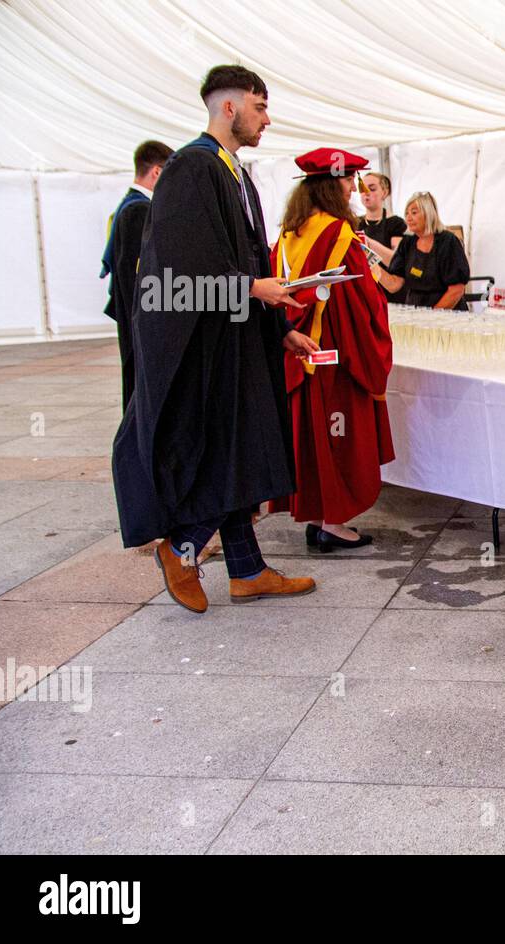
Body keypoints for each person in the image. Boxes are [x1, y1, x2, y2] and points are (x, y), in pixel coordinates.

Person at [111, 64, 319, 613]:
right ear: (230, 107)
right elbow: (176, 269)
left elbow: (247, 258)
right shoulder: (192, 167)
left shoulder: (233, 173)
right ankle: (181, 548)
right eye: (260, 107)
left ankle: (247, 571)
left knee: (243, 451)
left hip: (239, 340)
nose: (267, 120)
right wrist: (252, 288)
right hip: (205, 348)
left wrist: (281, 328)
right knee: (231, 452)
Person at [269, 148, 395, 552]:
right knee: (339, 438)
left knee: (314, 440)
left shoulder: (289, 233)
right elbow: (361, 300)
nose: (352, 189)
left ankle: (319, 517)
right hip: (334, 357)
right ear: (330, 185)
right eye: (347, 181)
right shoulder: (339, 235)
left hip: (298, 353)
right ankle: (333, 523)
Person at [100, 139, 173, 410]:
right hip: (139, 319)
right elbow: (137, 275)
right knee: (140, 394)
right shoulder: (138, 210)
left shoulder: (129, 205)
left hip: (134, 316)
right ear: (156, 172)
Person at [374, 192, 469, 309]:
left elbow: (456, 290)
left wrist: (431, 316)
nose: (408, 218)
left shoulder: (448, 242)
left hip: (446, 314)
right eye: (406, 214)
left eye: (414, 213)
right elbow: (394, 285)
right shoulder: (407, 243)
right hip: (416, 313)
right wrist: (371, 265)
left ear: (428, 213)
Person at [358, 171, 407, 303]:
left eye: (372, 189)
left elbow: (396, 261)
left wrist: (367, 242)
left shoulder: (396, 224)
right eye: (362, 189)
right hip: (365, 293)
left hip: (390, 294)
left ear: (384, 193)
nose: (366, 193)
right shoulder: (356, 223)